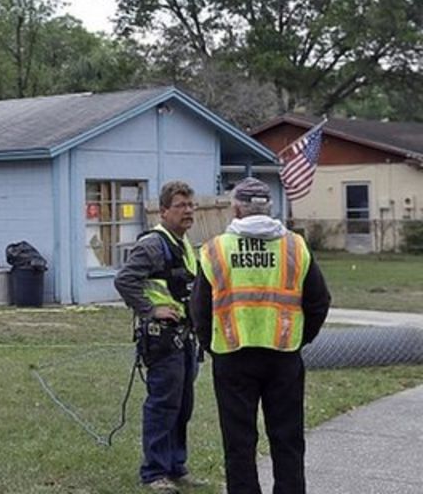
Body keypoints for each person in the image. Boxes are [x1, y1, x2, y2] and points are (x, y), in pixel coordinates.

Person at [191, 177, 330, 494]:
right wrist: (298, 338)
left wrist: (211, 345)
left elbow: (199, 309)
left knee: (238, 441)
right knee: (287, 439)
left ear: (236, 208)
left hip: (232, 355)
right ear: (269, 207)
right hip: (283, 356)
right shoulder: (295, 246)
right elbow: (319, 301)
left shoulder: (215, 249)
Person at [114, 180, 202, 493]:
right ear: (164, 211)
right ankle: (154, 472)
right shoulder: (153, 245)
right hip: (162, 340)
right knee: (163, 406)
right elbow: (125, 281)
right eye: (181, 206)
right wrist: (151, 310)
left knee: (183, 405)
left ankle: (176, 466)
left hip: (185, 337)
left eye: (191, 205)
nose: (188, 211)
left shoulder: (186, 244)